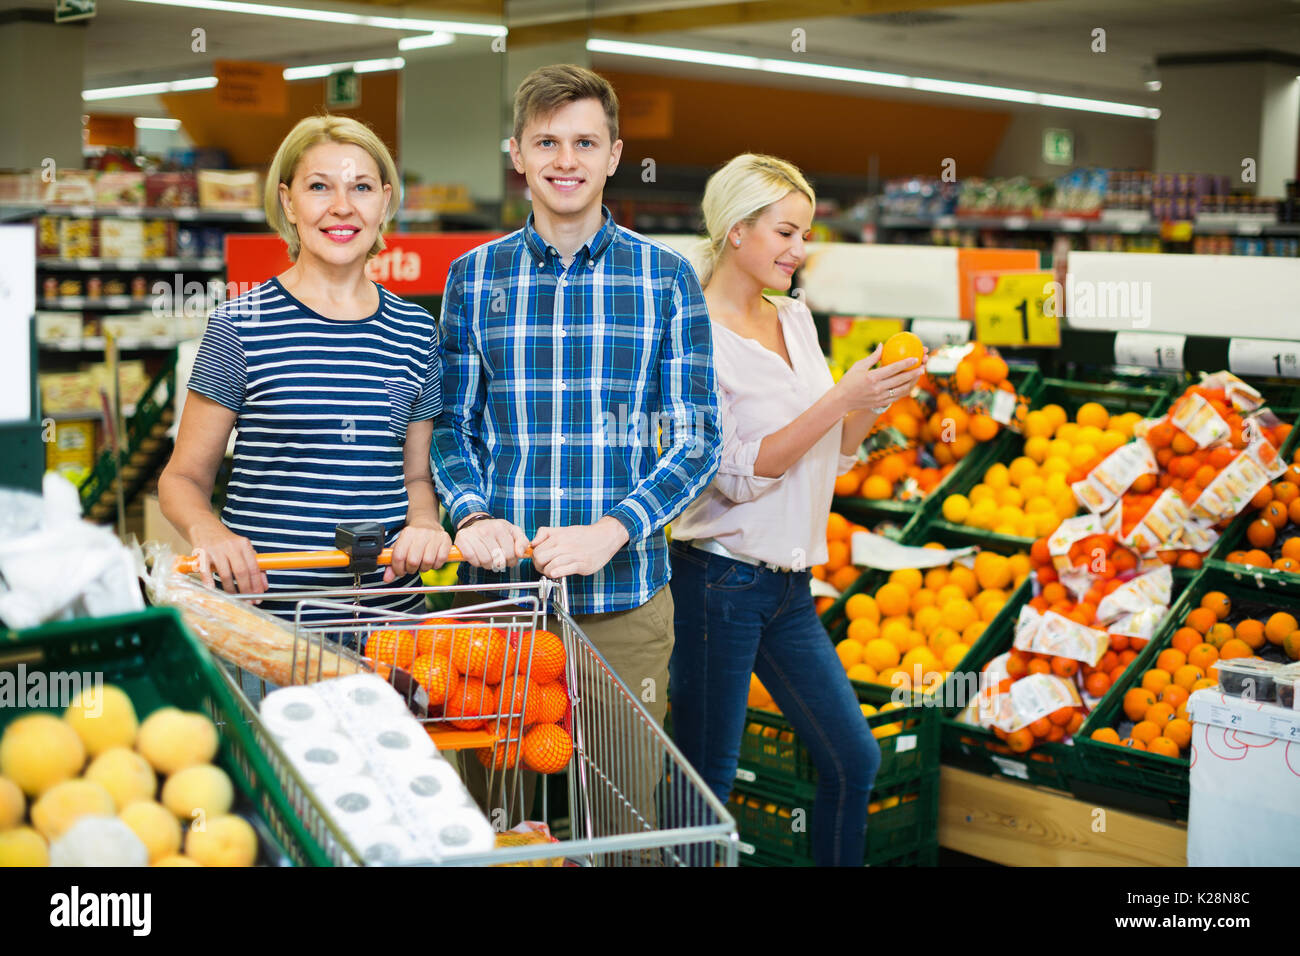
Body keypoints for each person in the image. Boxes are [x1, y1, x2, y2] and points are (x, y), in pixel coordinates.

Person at [431, 64, 721, 725]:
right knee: (491, 805)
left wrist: (612, 531)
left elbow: (698, 439)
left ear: (615, 155)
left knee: (624, 810)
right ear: (518, 154)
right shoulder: (473, 279)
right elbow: (451, 425)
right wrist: (472, 514)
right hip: (498, 604)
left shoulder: (666, 279)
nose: (566, 161)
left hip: (625, 602)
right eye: (547, 142)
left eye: (586, 143)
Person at [667, 154, 926, 866]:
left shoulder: (796, 317)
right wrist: (841, 397)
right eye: (786, 231)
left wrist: (872, 401)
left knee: (853, 758)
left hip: (789, 587)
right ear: (736, 229)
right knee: (704, 787)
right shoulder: (692, 335)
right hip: (717, 584)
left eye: (805, 233)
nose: (799, 249)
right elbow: (741, 471)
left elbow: (832, 450)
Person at [160, 115, 452, 626]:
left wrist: (425, 524)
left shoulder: (414, 329)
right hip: (271, 620)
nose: (342, 206)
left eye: (360, 187)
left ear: (384, 201)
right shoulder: (240, 325)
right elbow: (182, 478)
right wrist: (211, 531)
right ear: (289, 202)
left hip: (392, 620)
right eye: (319, 187)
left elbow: (415, 477)